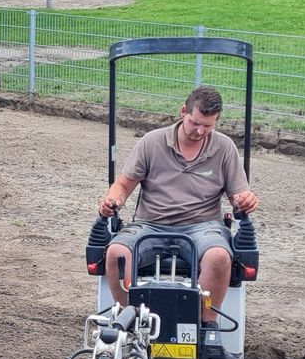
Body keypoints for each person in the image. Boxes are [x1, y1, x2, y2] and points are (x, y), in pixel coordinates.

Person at [96, 85, 258, 320]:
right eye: (195, 123)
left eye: (208, 126)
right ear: (183, 112)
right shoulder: (152, 142)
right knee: (116, 253)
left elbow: (239, 194)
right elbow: (122, 185)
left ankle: (205, 326)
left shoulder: (224, 148)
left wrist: (245, 200)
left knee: (219, 257)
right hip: (150, 225)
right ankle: (128, 319)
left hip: (203, 227)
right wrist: (113, 200)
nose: (200, 131)